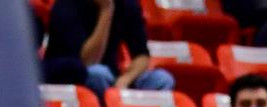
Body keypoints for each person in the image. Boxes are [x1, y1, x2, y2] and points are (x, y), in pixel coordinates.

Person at [42, 0, 176, 97]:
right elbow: (88, 61)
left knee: (162, 79)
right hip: (69, 75)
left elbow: (142, 56)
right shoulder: (67, 6)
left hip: (110, 77)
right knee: (98, 73)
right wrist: (106, 11)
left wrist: (126, 79)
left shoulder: (127, 4)